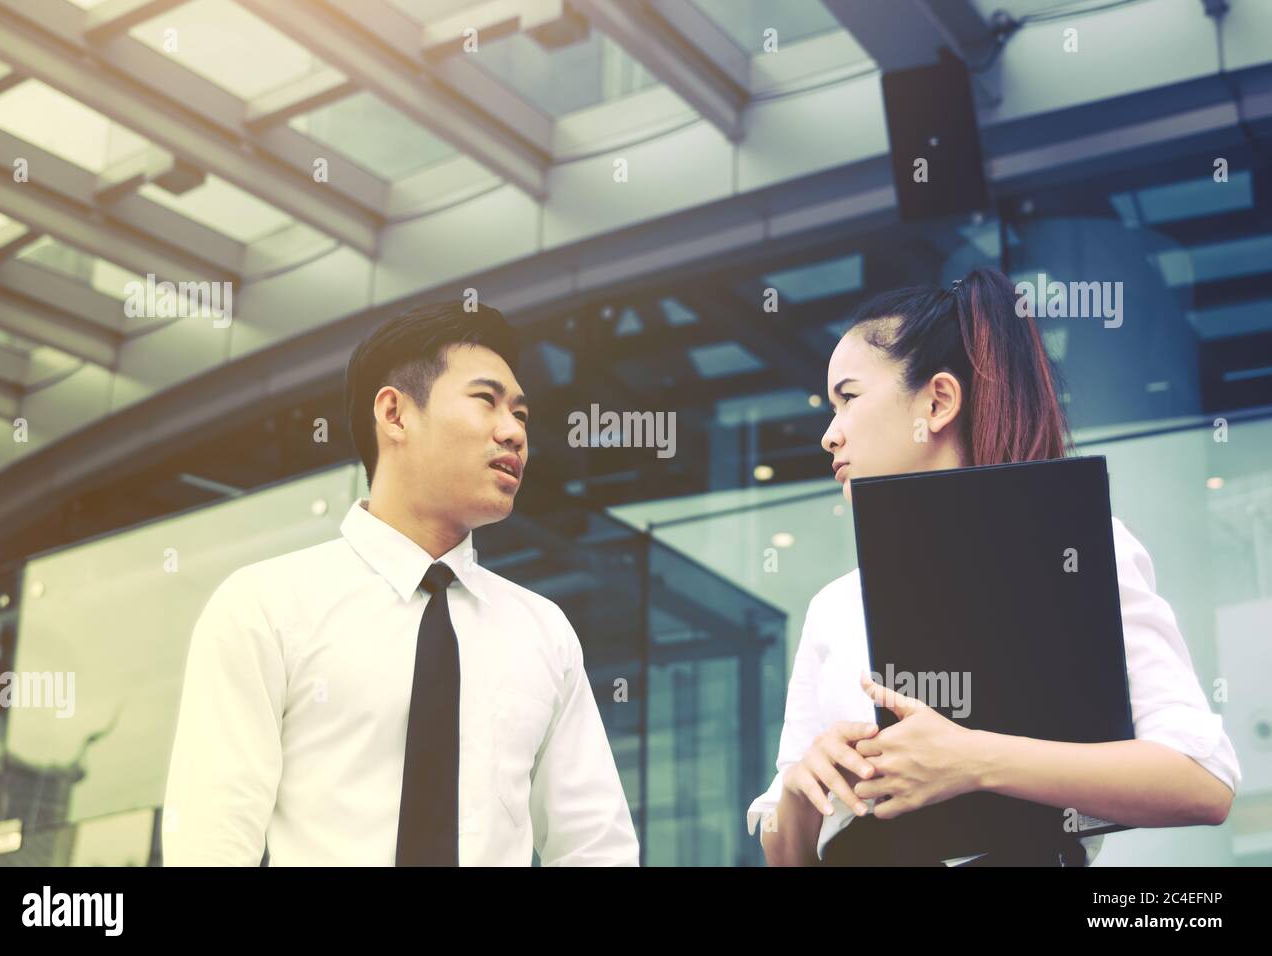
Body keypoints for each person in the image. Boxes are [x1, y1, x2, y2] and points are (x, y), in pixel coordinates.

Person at [747, 268, 1240, 866]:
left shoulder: (1079, 550)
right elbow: (784, 852)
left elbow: (1203, 777)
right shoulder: (834, 606)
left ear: (937, 401)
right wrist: (803, 787)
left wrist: (972, 761)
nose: (829, 435)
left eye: (848, 398)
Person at [163, 301, 638, 866]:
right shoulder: (265, 606)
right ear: (394, 414)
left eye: (522, 415)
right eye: (486, 400)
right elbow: (213, 839)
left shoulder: (543, 631)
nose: (513, 432)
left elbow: (593, 845)